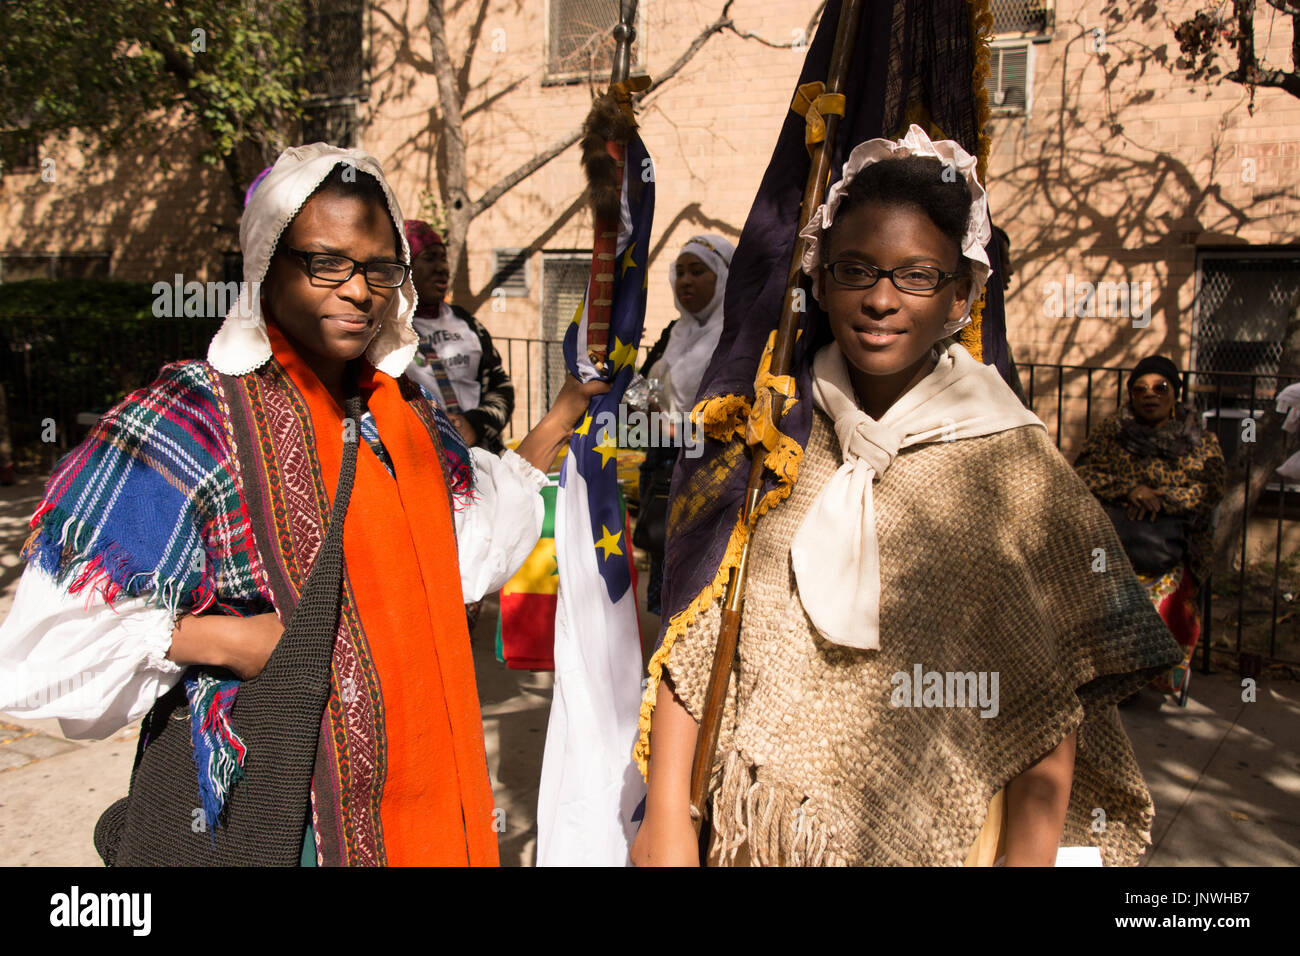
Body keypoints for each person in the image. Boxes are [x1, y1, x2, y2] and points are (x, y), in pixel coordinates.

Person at [0, 143, 604, 866]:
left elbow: (471, 545)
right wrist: (224, 641)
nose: (358, 290)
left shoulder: (405, 416)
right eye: (326, 262)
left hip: (418, 793)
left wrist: (567, 409)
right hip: (285, 813)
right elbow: (43, 647)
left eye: (380, 267)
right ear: (265, 267)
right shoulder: (193, 417)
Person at [630, 127, 1182, 867]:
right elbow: (695, 633)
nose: (882, 299)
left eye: (917, 275)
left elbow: (1047, 698)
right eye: (856, 269)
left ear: (961, 293)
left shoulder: (1016, 467)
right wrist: (666, 813)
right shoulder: (771, 432)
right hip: (751, 834)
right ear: (820, 281)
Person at [1074, 355, 1226, 700]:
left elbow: (1211, 489)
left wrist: (1163, 499)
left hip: (1177, 541)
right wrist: (1130, 491)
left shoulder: (1200, 440)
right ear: (1131, 395)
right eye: (1140, 389)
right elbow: (1082, 473)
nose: (1150, 395)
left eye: (1160, 387)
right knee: (1097, 587)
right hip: (1116, 540)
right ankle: (1111, 674)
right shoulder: (1111, 432)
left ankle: (1154, 672)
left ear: (1175, 394)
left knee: (1168, 590)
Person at [636, 235, 734, 615]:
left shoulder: (736, 336)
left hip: (708, 477)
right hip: (661, 474)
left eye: (698, 271)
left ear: (724, 276)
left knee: (701, 594)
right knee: (665, 592)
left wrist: (678, 430)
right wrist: (640, 408)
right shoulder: (672, 334)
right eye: (679, 272)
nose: (686, 281)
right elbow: (639, 390)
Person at [403, 220, 515, 455]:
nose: (441, 267)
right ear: (406, 265)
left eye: (443, 258)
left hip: (479, 456)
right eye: (429, 258)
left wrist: (474, 424)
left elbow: (501, 387)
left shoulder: (469, 324)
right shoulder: (389, 332)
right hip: (422, 457)